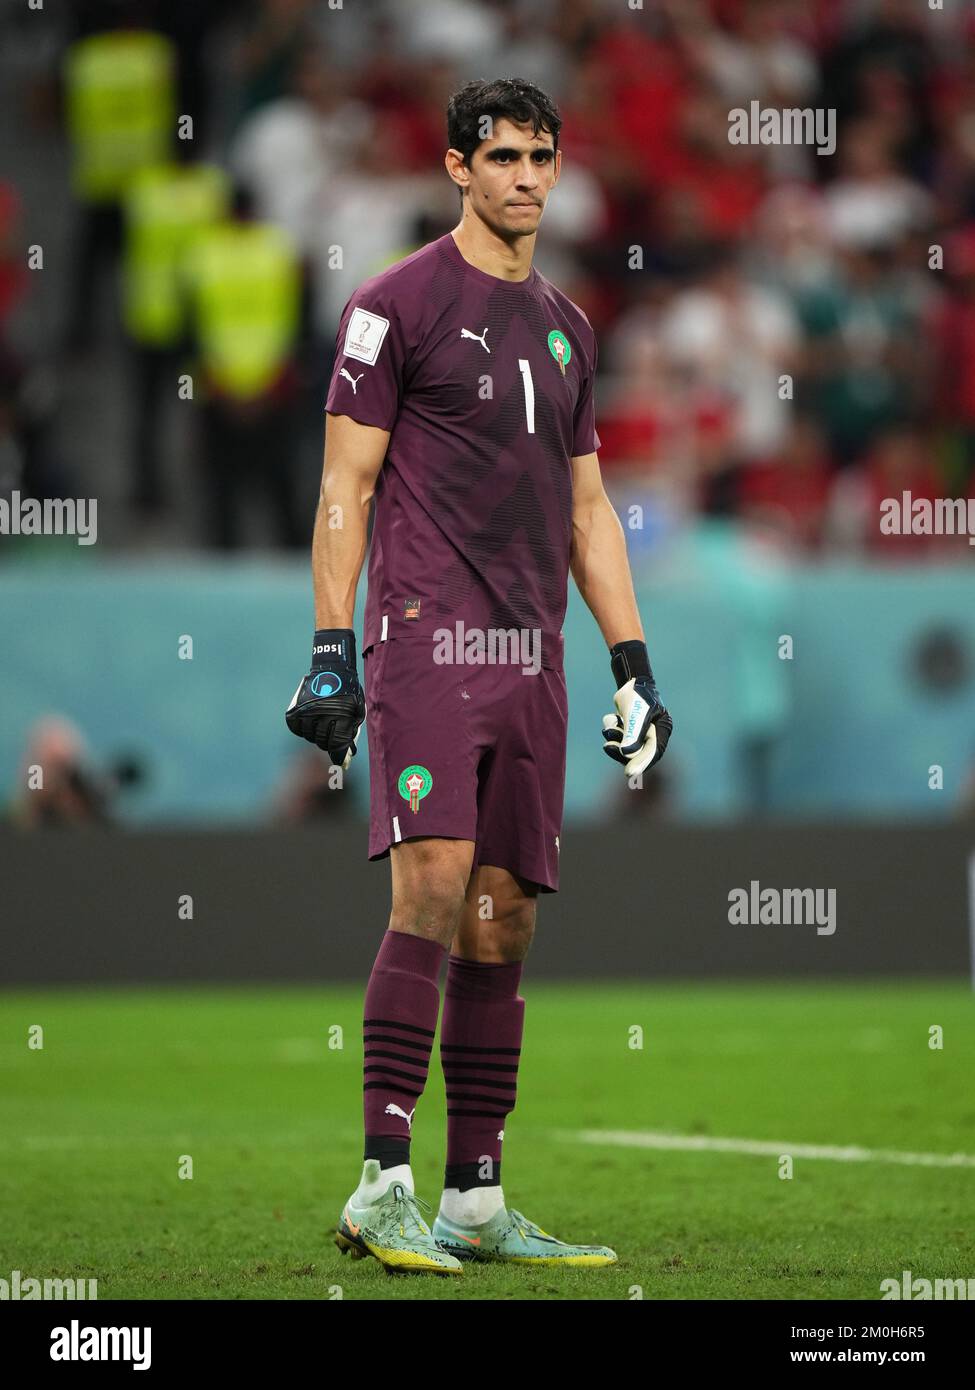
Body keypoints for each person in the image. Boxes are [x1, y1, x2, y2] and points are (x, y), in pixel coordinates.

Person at [285, 77, 673, 1277]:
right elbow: (345, 489)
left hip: (530, 656)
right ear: (457, 168)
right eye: (500, 156)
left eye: (542, 157)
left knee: (503, 923)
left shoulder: (570, 326)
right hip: (425, 636)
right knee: (435, 883)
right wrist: (331, 647)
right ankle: (380, 1184)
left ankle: (474, 1196)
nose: (525, 177)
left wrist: (634, 665)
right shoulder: (390, 308)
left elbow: (589, 510)